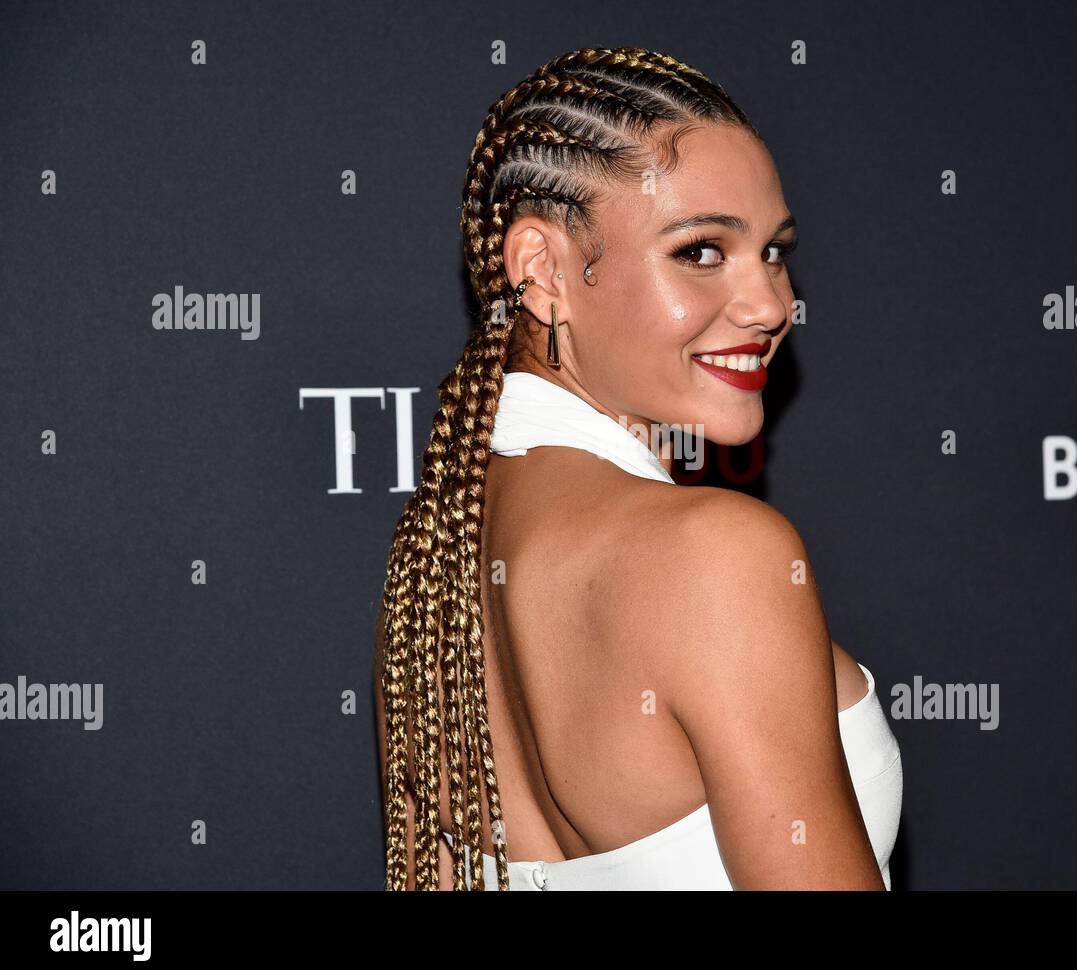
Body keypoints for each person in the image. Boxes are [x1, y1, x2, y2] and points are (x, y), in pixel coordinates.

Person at [374, 45, 902, 891]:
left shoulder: (438, 560)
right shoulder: (721, 554)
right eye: (700, 251)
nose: (772, 303)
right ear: (542, 273)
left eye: (775, 249)